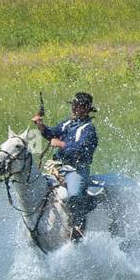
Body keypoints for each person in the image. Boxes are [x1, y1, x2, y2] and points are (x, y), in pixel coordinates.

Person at [32, 92, 99, 233]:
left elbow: (80, 149)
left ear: (86, 108)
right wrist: (41, 126)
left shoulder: (89, 129)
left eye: (77, 105)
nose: (73, 107)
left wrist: (61, 144)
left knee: (74, 196)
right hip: (59, 167)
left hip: (77, 169)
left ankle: (78, 227)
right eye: (73, 104)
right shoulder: (67, 123)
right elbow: (52, 134)